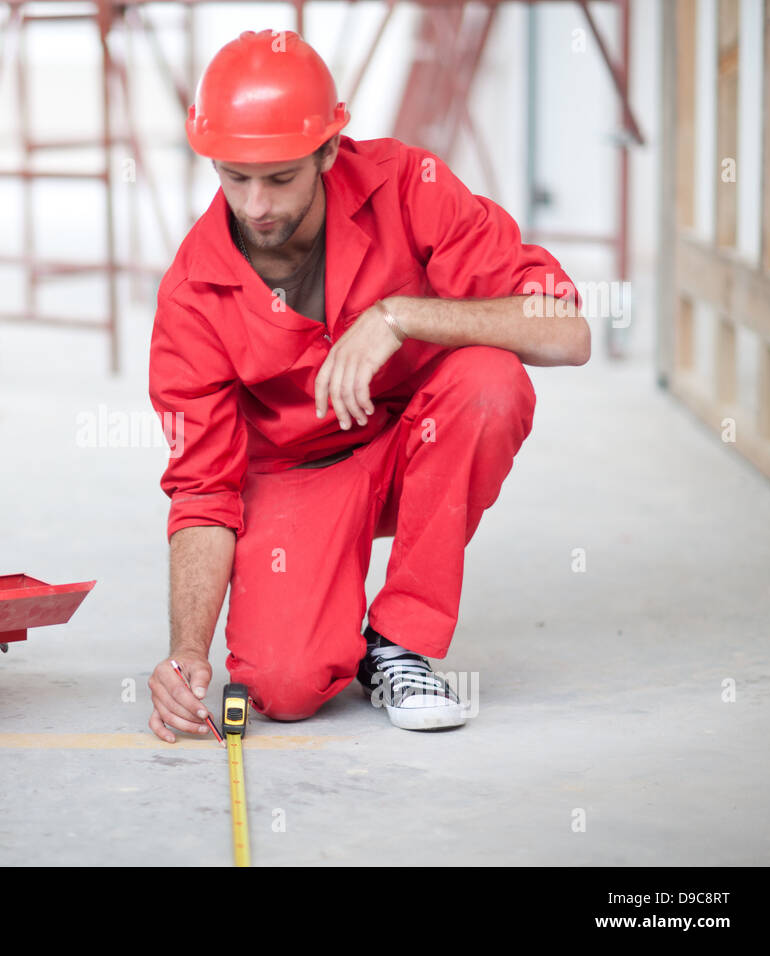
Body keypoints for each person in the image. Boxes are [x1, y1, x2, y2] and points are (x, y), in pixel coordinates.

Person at [146, 29, 587, 741]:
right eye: (234, 177)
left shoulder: (411, 187)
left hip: (419, 445)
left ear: (327, 150)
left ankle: (399, 640)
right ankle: (318, 612)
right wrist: (187, 652)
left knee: (489, 378)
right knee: (283, 687)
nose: (255, 205)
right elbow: (202, 490)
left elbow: (567, 333)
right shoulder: (194, 294)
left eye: (281, 178)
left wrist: (401, 316)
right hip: (297, 477)